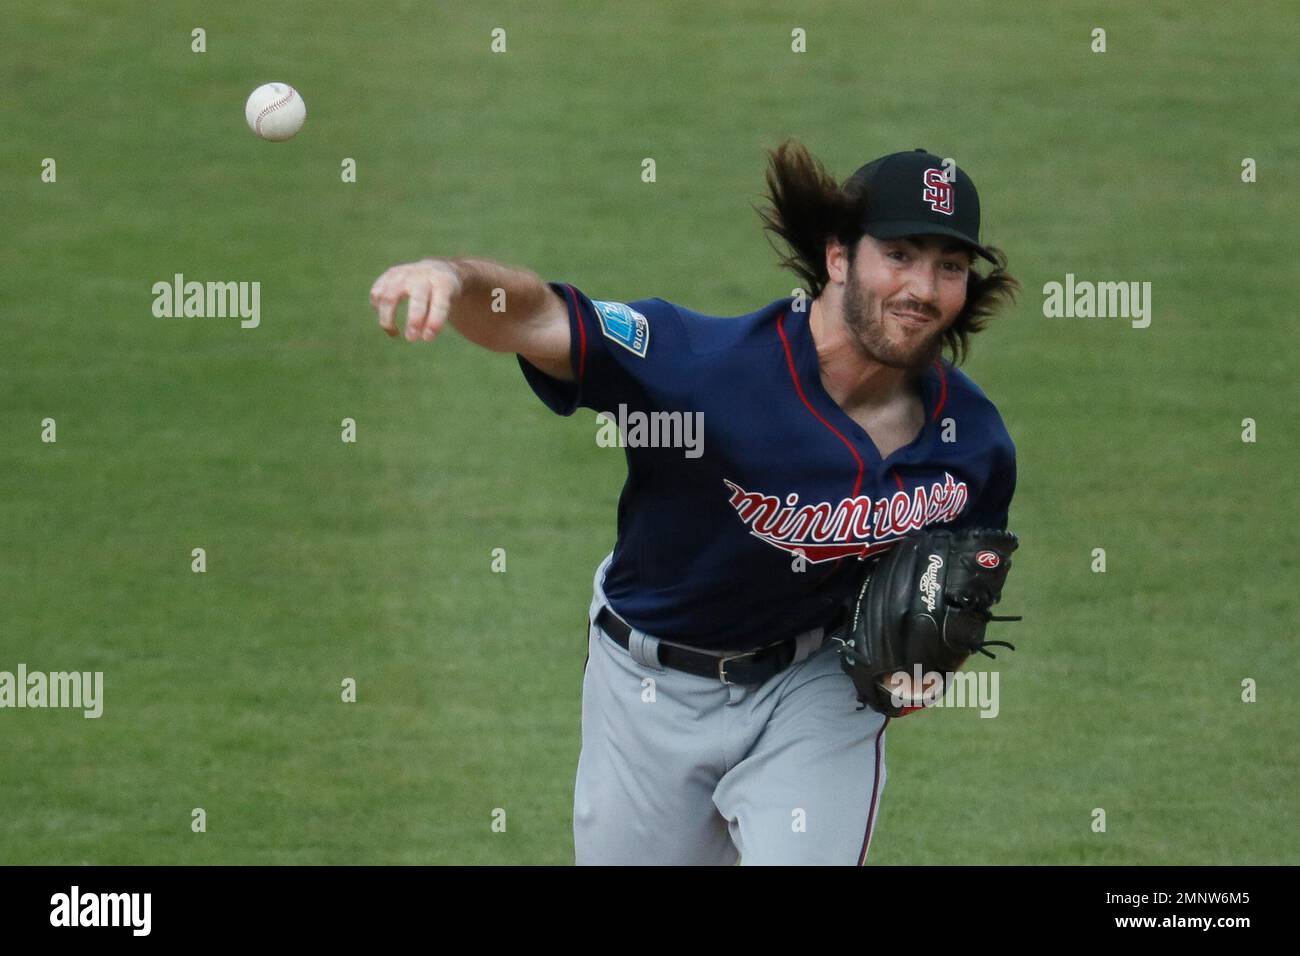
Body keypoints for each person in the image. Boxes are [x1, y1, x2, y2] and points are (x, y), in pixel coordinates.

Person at [368, 141, 1019, 865]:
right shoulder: (704, 369)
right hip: (647, 688)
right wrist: (452, 278)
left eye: (950, 267)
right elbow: (543, 320)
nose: (924, 289)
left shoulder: (973, 443)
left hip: (814, 691)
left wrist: (926, 664)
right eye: (899, 255)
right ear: (839, 258)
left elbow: (957, 582)